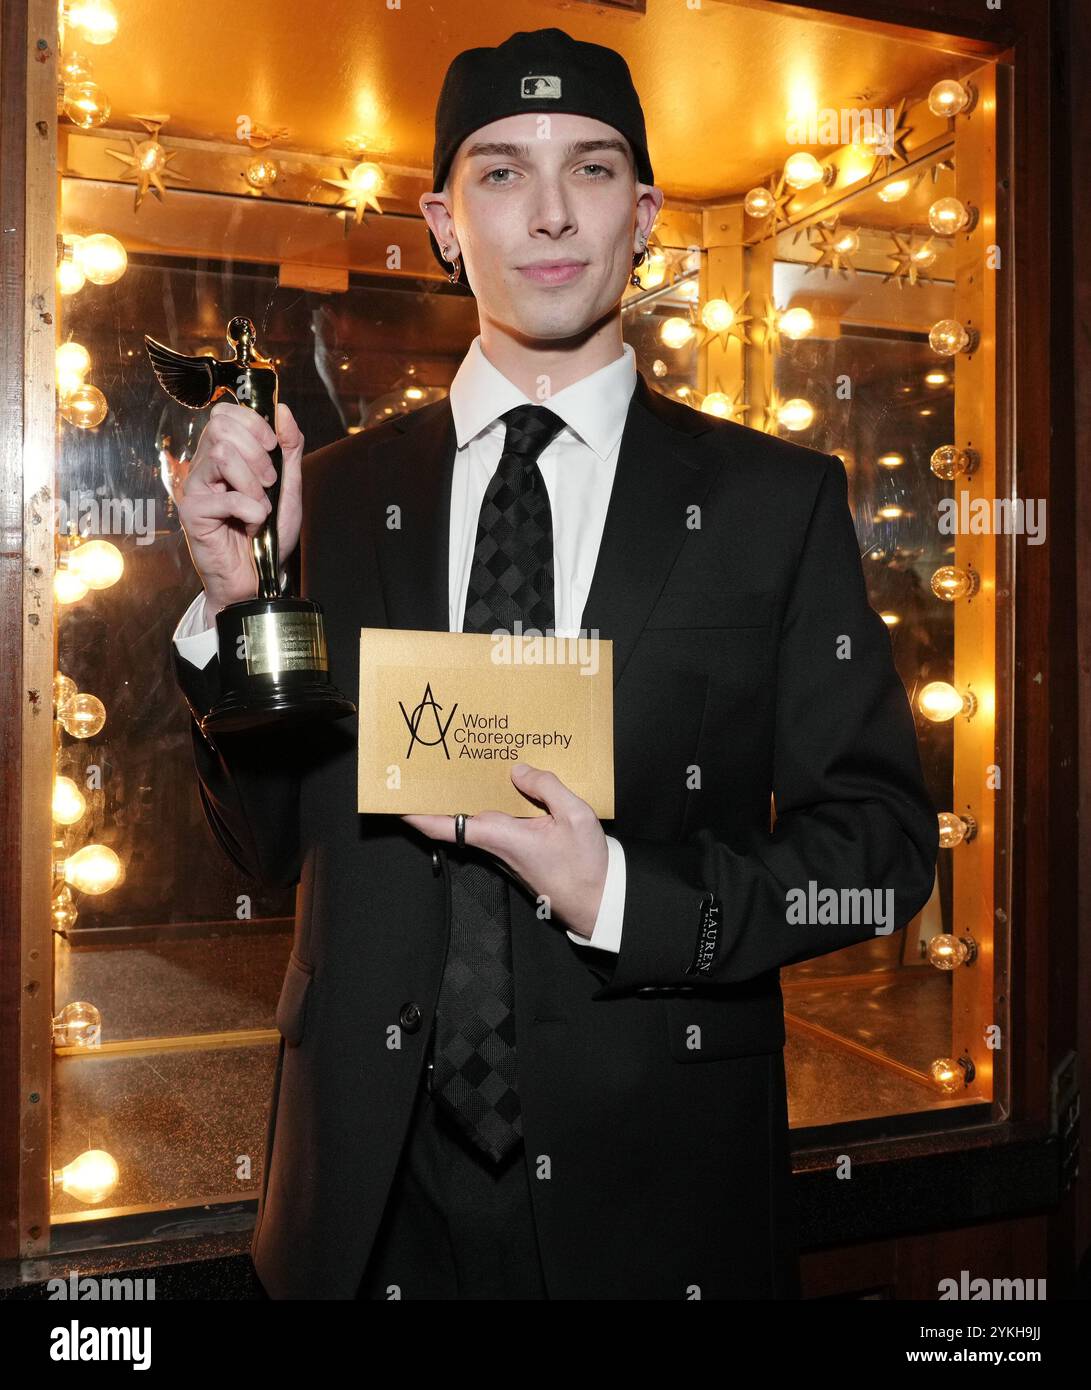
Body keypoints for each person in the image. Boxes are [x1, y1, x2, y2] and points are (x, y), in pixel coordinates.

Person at [170, 27, 938, 1300]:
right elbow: (266, 843)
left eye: (588, 169)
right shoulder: (336, 497)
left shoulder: (773, 500)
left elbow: (878, 853)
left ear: (642, 217)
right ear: (441, 220)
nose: (547, 213)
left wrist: (626, 895)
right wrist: (233, 607)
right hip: (365, 1192)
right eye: (499, 171)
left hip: (658, 1191)